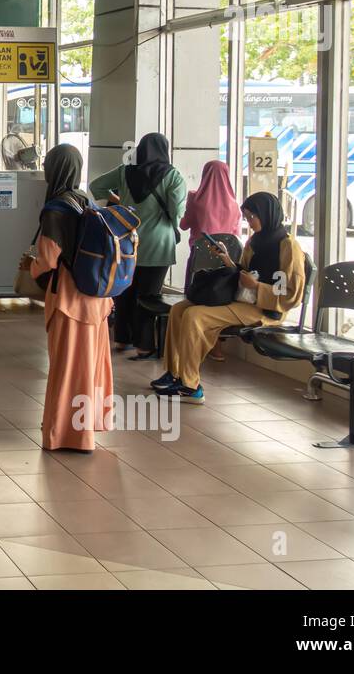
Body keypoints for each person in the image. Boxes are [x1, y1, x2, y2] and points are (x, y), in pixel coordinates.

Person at [152, 192, 305, 404]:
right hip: (243, 299)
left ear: (267, 214)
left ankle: (190, 385)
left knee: (195, 315)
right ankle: (173, 372)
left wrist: (258, 288)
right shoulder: (255, 241)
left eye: (253, 217)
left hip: (265, 309)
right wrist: (227, 260)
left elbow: (292, 293)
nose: (250, 223)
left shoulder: (288, 246)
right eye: (247, 218)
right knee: (179, 309)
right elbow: (245, 272)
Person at [29, 145, 114, 451]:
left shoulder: (56, 208)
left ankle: (65, 435)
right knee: (89, 366)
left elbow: (49, 259)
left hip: (69, 299)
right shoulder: (85, 202)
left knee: (67, 367)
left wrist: (32, 269)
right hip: (97, 298)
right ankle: (85, 427)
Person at [89, 133, 187, 358]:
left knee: (124, 291)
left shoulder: (126, 171)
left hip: (127, 243)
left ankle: (123, 339)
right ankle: (144, 345)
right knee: (148, 295)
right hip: (158, 244)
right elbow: (176, 213)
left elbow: (97, 186)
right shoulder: (173, 177)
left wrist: (121, 201)